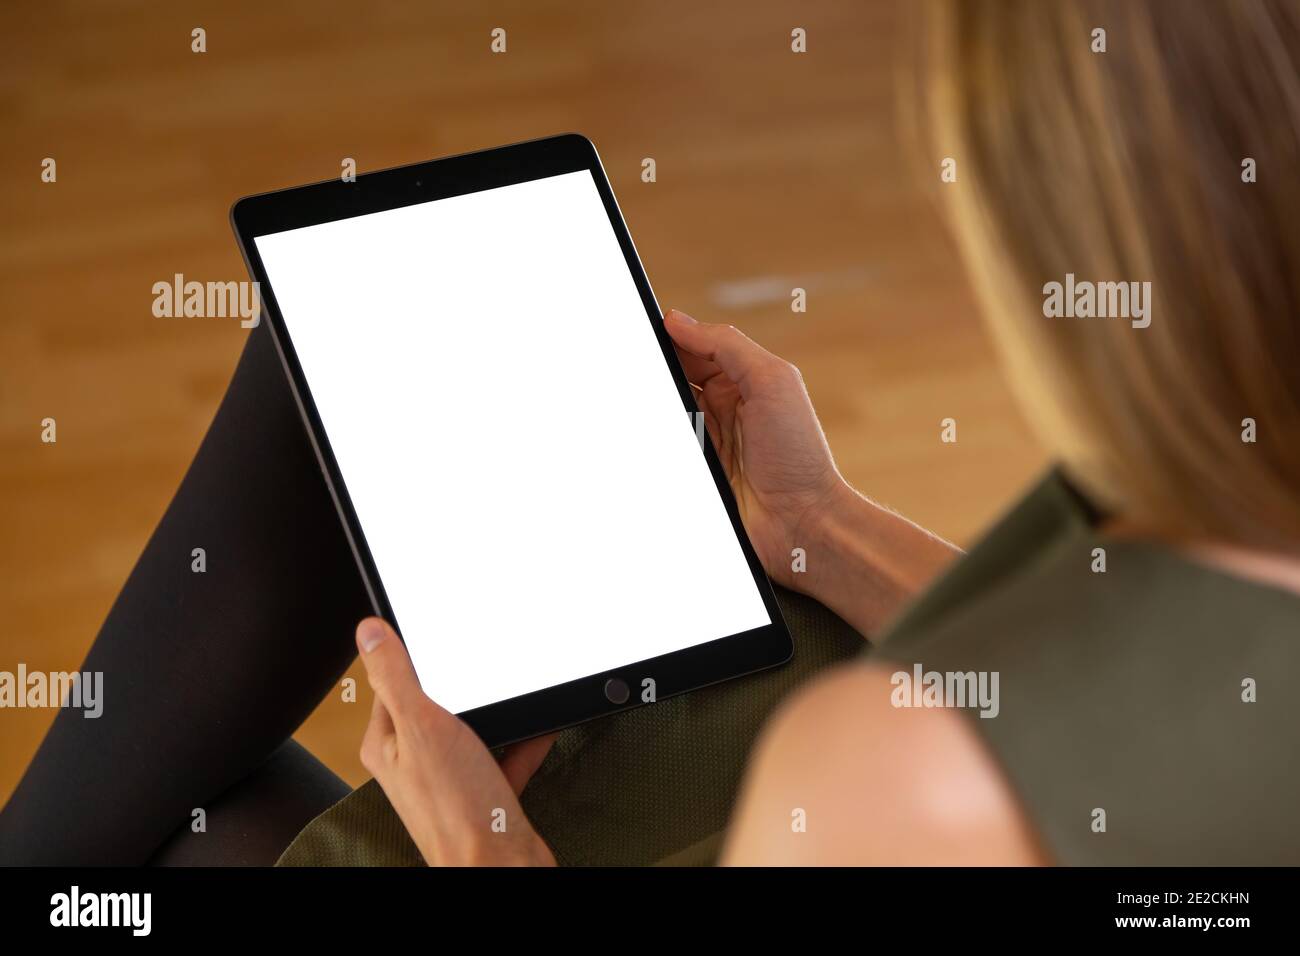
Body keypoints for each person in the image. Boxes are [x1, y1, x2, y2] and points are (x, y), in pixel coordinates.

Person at [4, 0, 1298, 866]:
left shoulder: (898, 770)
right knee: (307, 381)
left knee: (180, 824)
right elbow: (1106, 705)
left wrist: (483, 847)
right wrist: (821, 527)